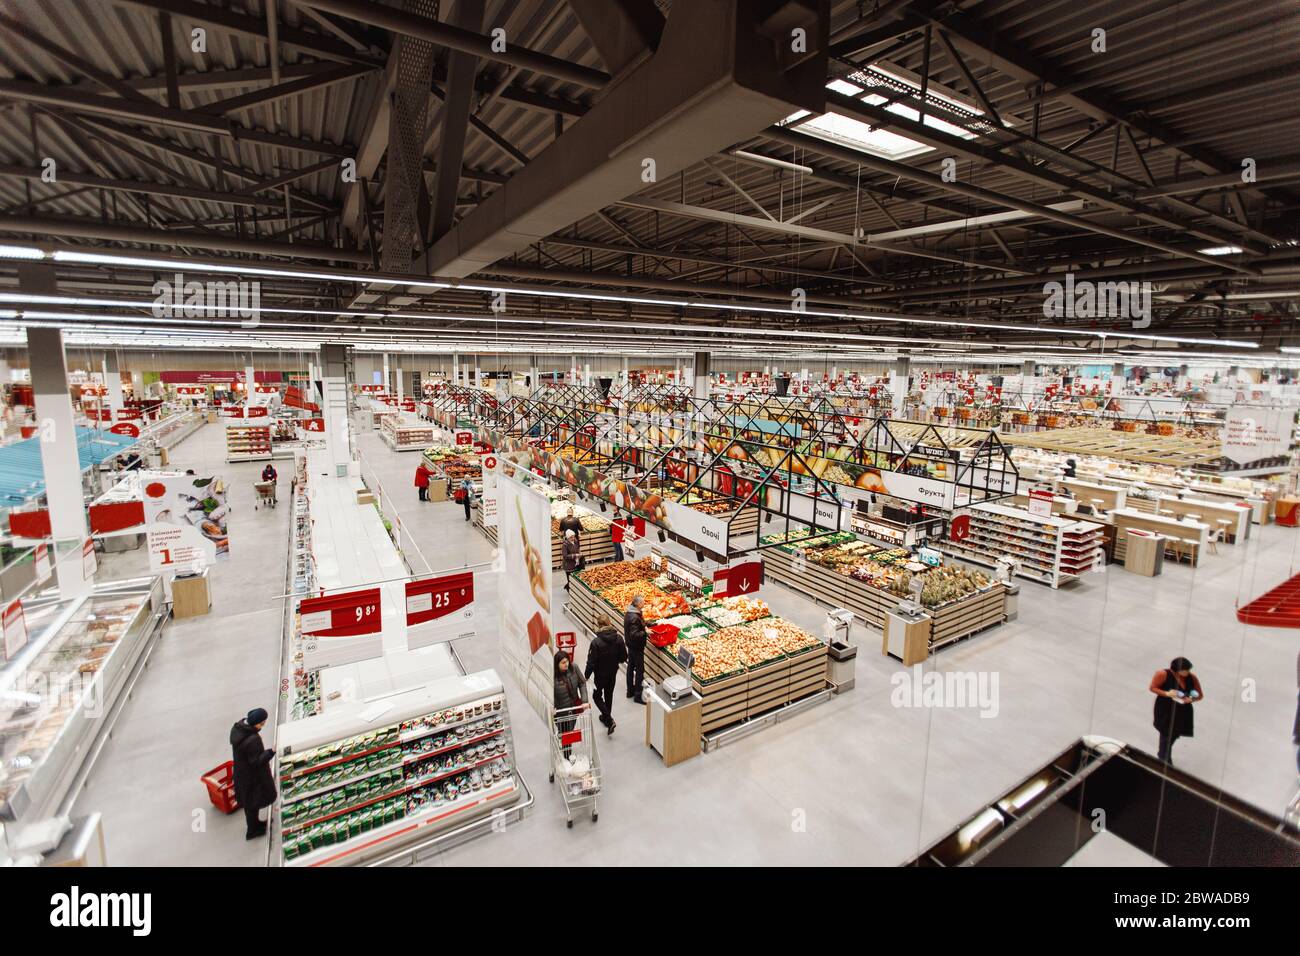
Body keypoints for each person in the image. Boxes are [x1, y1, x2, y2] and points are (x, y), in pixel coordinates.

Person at [229, 707, 277, 839]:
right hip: (252, 776)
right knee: (252, 802)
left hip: (242, 773)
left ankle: (255, 825)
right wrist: (271, 751)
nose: (263, 725)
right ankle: (252, 831)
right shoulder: (252, 739)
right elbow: (256, 762)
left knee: (250, 802)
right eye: (262, 723)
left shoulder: (239, 729)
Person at [1150, 657, 1204, 765]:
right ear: (1177, 670)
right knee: (1166, 735)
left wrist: (1191, 699)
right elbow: (1153, 688)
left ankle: (1163, 754)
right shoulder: (1163, 674)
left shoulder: (1192, 678)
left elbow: (1199, 695)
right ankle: (1164, 760)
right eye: (1185, 670)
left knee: (1173, 735)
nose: (1188, 672)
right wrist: (1167, 693)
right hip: (1165, 709)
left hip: (1182, 711)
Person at [585, 615, 627, 735]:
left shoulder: (596, 642)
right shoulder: (619, 639)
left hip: (600, 675)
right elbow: (624, 657)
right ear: (610, 623)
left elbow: (591, 662)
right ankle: (606, 718)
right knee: (609, 695)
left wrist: (586, 675)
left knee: (597, 696)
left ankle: (609, 719)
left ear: (599, 625)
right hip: (613, 672)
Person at [553, 650, 587, 756]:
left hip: (574, 708)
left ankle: (562, 737)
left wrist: (584, 701)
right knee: (567, 736)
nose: (566, 664)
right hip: (560, 712)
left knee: (569, 730)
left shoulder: (574, 668)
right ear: (557, 664)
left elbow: (582, 683)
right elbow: (548, 693)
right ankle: (567, 757)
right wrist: (551, 706)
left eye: (567, 661)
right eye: (563, 662)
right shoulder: (552, 676)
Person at [624, 594, 648, 703]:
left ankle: (630, 691)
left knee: (630, 667)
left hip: (631, 645)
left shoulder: (631, 613)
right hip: (636, 646)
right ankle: (638, 695)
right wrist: (645, 632)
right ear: (638, 604)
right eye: (643, 602)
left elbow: (638, 624)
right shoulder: (634, 616)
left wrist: (649, 624)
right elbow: (635, 634)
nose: (644, 603)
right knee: (639, 670)